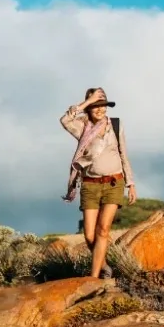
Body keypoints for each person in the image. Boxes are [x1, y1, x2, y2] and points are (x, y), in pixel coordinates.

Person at [60, 87, 137, 279]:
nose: (100, 109)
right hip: (90, 185)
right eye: (95, 106)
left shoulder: (116, 125)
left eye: (102, 105)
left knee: (103, 230)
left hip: (114, 182)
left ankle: (94, 277)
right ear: (88, 108)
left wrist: (131, 183)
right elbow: (64, 120)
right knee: (89, 235)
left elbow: (123, 154)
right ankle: (104, 265)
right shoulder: (82, 127)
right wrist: (86, 102)